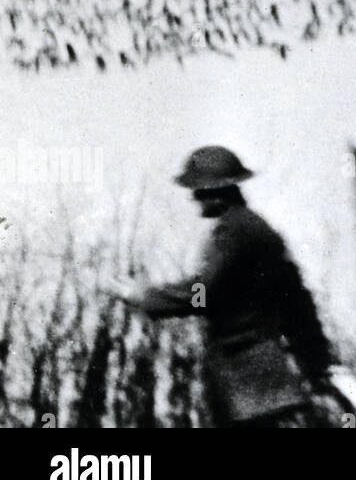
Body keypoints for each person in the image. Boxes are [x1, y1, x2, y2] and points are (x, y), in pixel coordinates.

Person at [109, 146, 336, 427]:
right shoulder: (262, 231)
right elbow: (299, 304)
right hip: (271, 383)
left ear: (215, 192)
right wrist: (316, 364)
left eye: (198, 190)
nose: (193, 198)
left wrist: (147, 297)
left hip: (247, 381)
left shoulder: (233, 231)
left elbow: (205, 291)